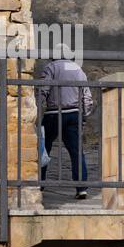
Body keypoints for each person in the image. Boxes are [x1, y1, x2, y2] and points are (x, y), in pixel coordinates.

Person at [38, 58, 93, 199]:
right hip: (73, 113)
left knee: (43, 149)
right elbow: (87, 96)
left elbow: (43, 90)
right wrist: (84, 115)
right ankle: (81, 188)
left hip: (53, 113)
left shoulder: (51, 67)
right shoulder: (78, 70)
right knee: (76, 152)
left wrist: (36, 110)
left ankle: (39, 184)